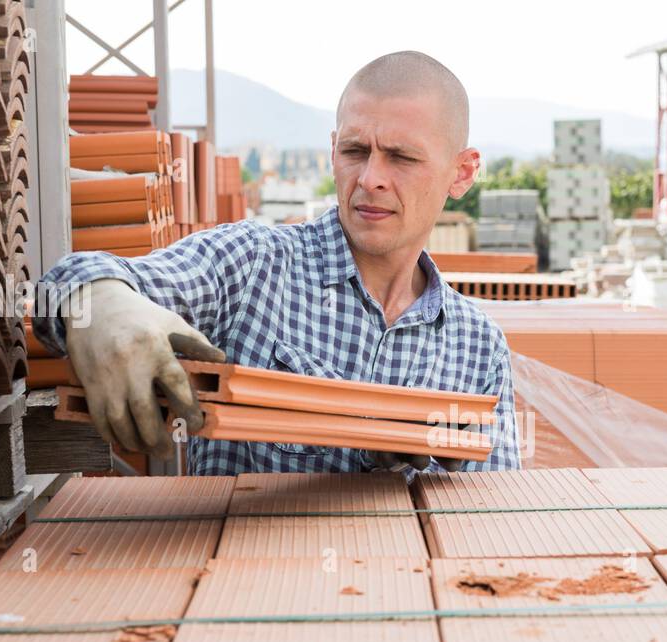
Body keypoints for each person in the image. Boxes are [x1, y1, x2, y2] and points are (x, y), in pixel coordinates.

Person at [33, 51, 519, 476]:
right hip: (236, 579)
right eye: (354, 151)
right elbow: (96, 282)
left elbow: (490, 518)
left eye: (401, 158)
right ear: (333, 149)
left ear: (463, 172)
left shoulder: (476, 347)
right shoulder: (251, 267)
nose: (370, 178)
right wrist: (96, 297)